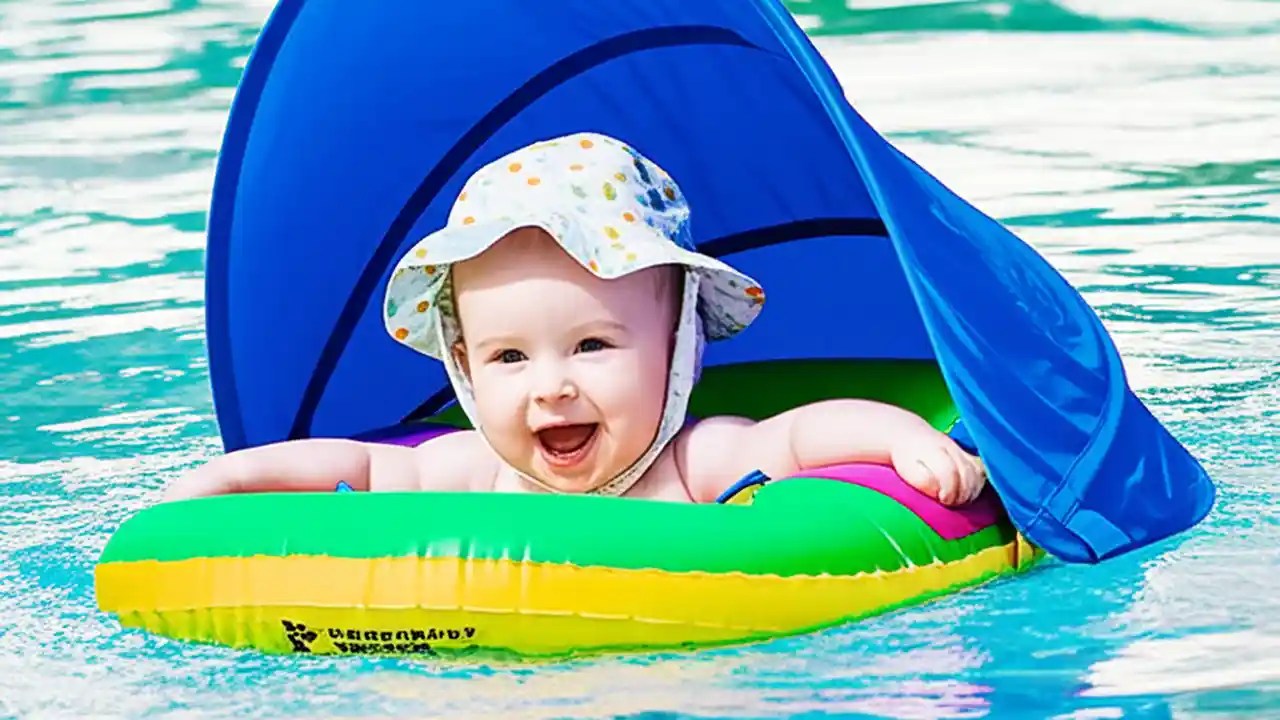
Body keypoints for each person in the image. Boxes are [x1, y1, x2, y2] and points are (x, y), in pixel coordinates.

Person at [163, 132, 986, 505]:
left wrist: (906, 440)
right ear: (462, 366)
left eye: (591, 344)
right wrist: (218, 482)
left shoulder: (696, 465)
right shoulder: (469, 472)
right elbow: (355, 466)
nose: (551, 387)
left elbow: (805, 435)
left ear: (676, 347)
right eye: (509, 358)